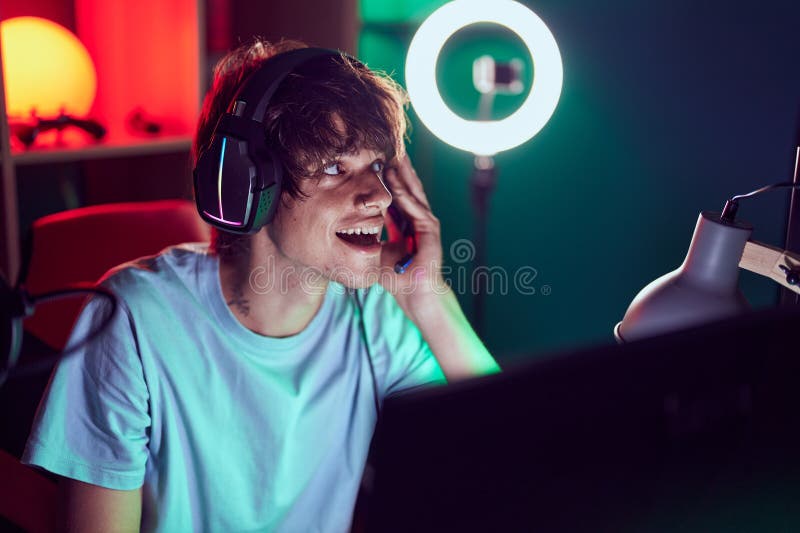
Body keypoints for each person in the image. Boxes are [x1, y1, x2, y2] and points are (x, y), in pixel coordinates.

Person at [22, 39, 499, 531]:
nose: (378, 196)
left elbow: (512, 456)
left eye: (377, 167)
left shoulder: (378, 313)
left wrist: (431, 300)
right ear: (245, 182)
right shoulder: (133, 318)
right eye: (335, 167)